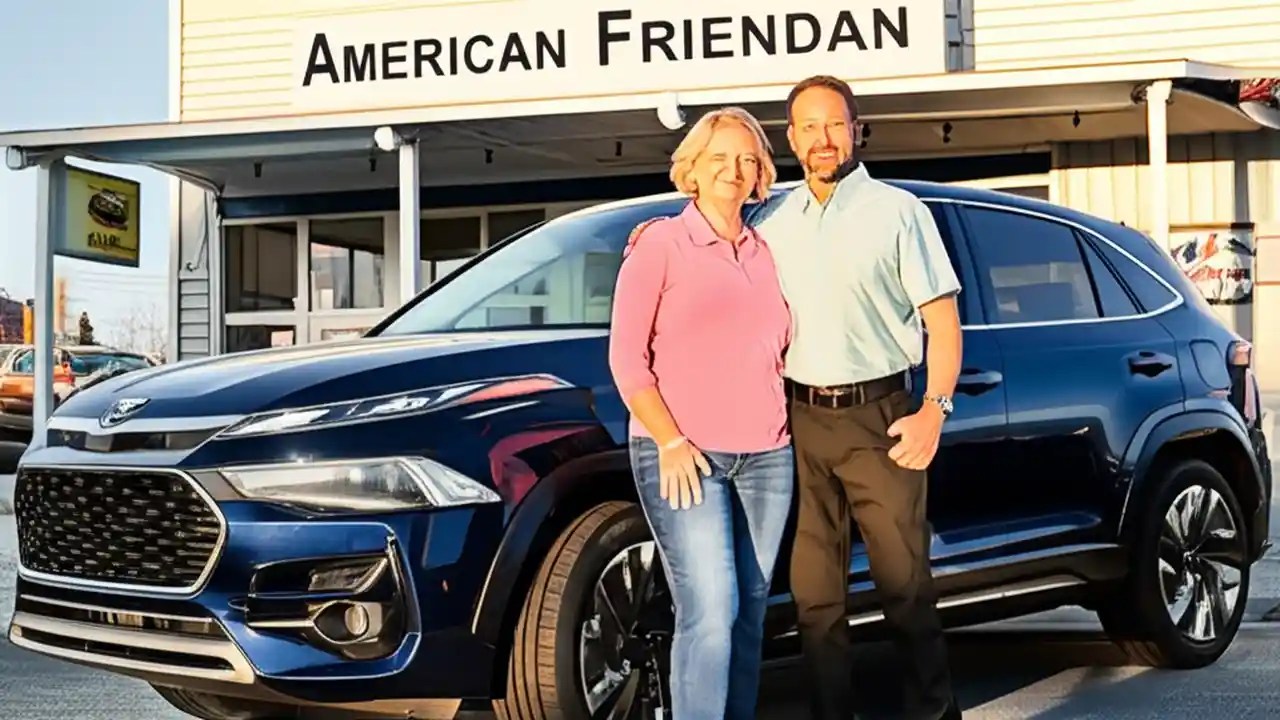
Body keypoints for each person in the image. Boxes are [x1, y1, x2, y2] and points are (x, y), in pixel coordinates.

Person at [627, 76, 964, 720]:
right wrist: (659, 228)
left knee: (904, 588)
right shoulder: (770, 218)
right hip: (796, 422)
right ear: (791, 139)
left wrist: (934, 410)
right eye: (808, 127)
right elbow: (710, 231)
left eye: (835, 124)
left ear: (856, 129)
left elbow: (942, 323)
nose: (823, 139)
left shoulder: (899, 212)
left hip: (881, 420)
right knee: (815, 599)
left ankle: (934, 712)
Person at [607, 106, 795, 720]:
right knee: (709, 609)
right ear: (692, 168)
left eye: (747, 160)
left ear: (761, 172)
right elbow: (627, 361)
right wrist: (669, 440)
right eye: (719, 158)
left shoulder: (768, 250)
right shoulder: (659, 242)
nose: (733, 171)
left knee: (749, 608)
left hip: (768, 455)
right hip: (686, 452)